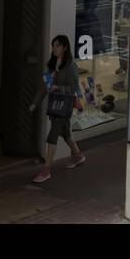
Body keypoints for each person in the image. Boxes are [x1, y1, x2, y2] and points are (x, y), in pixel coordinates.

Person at [30, 34, 85, 183]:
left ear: (65, 48)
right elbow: (44, 86)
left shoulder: (71, 66)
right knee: (65, 133)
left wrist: (57, 88)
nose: (54, 48)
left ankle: (46, 169)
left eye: (57, 46)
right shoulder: (50, 66)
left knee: (53, 135)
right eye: (53, 46)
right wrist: (35, 103)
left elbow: (73, 87)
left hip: (64, 105)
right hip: (55, 105)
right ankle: (78, 155)